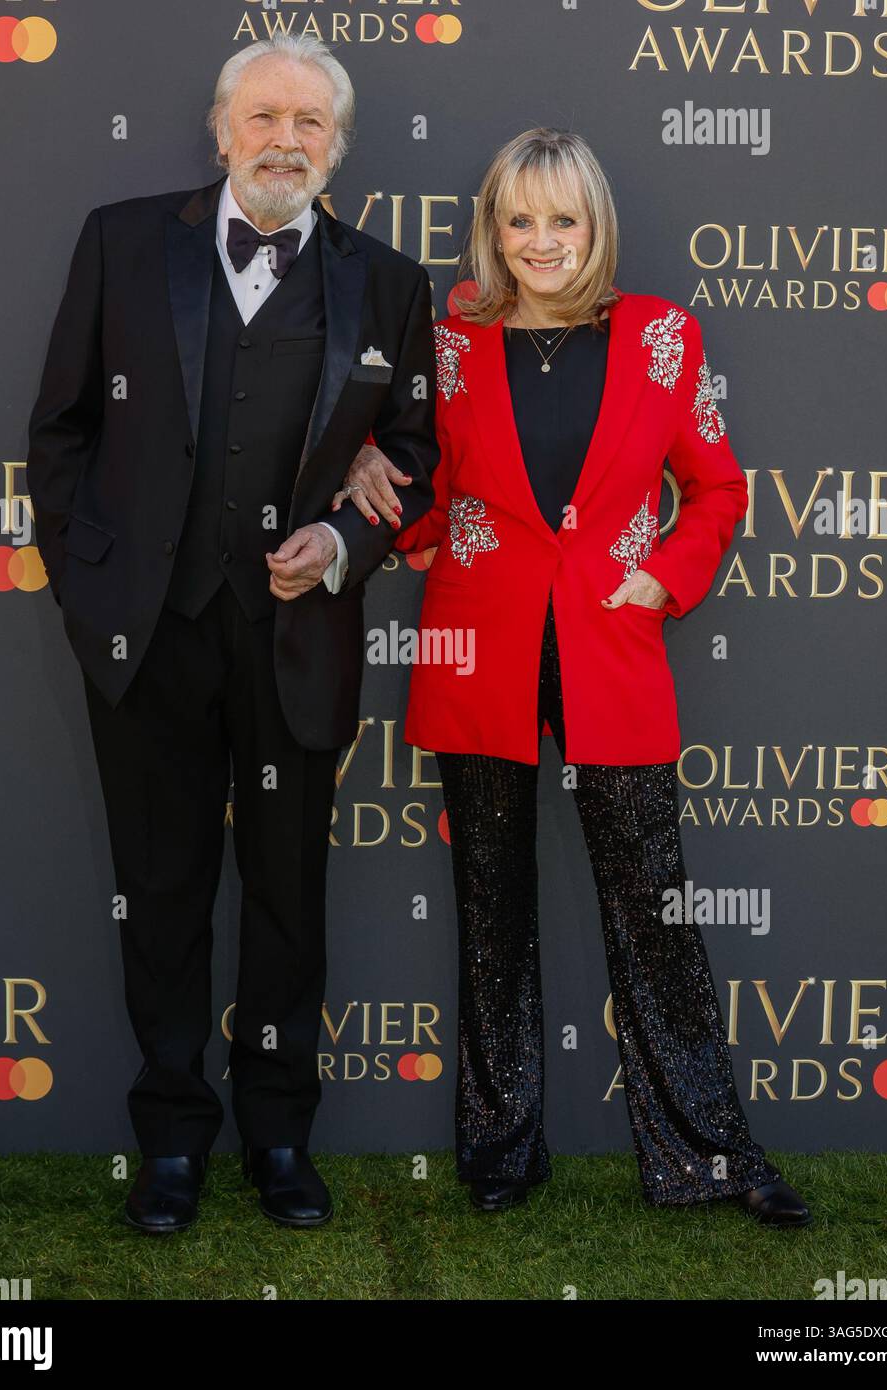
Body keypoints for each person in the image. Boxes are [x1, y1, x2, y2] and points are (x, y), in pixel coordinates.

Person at [333, 128, 811, 1227]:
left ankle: (710, 1153)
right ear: (491, 230)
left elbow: (718, 490)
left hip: (612, 650)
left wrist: (663, 578)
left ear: (594, 226)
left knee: (653, 913)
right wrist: (369, 471)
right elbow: (417, 474)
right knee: (489, 909)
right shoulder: (448, 339)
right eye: (519, 220)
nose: (540, 242)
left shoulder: (660, 337)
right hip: (475, 653)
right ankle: (500, 1147)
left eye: (563, 220)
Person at [26, 34, 437, 1233]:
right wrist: (92, 589)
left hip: (295, 639)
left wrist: (346, 548)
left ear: (339, 149)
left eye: (311, 124)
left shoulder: (387, 282)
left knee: (286, 898)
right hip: (149, 637)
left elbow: (411, 456)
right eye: (263, 117)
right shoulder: (121, 240)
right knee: (159, 893)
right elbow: (57, 435)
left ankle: (276, 1135)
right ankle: (169, 1140)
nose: (284, 140)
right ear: (219, 130)